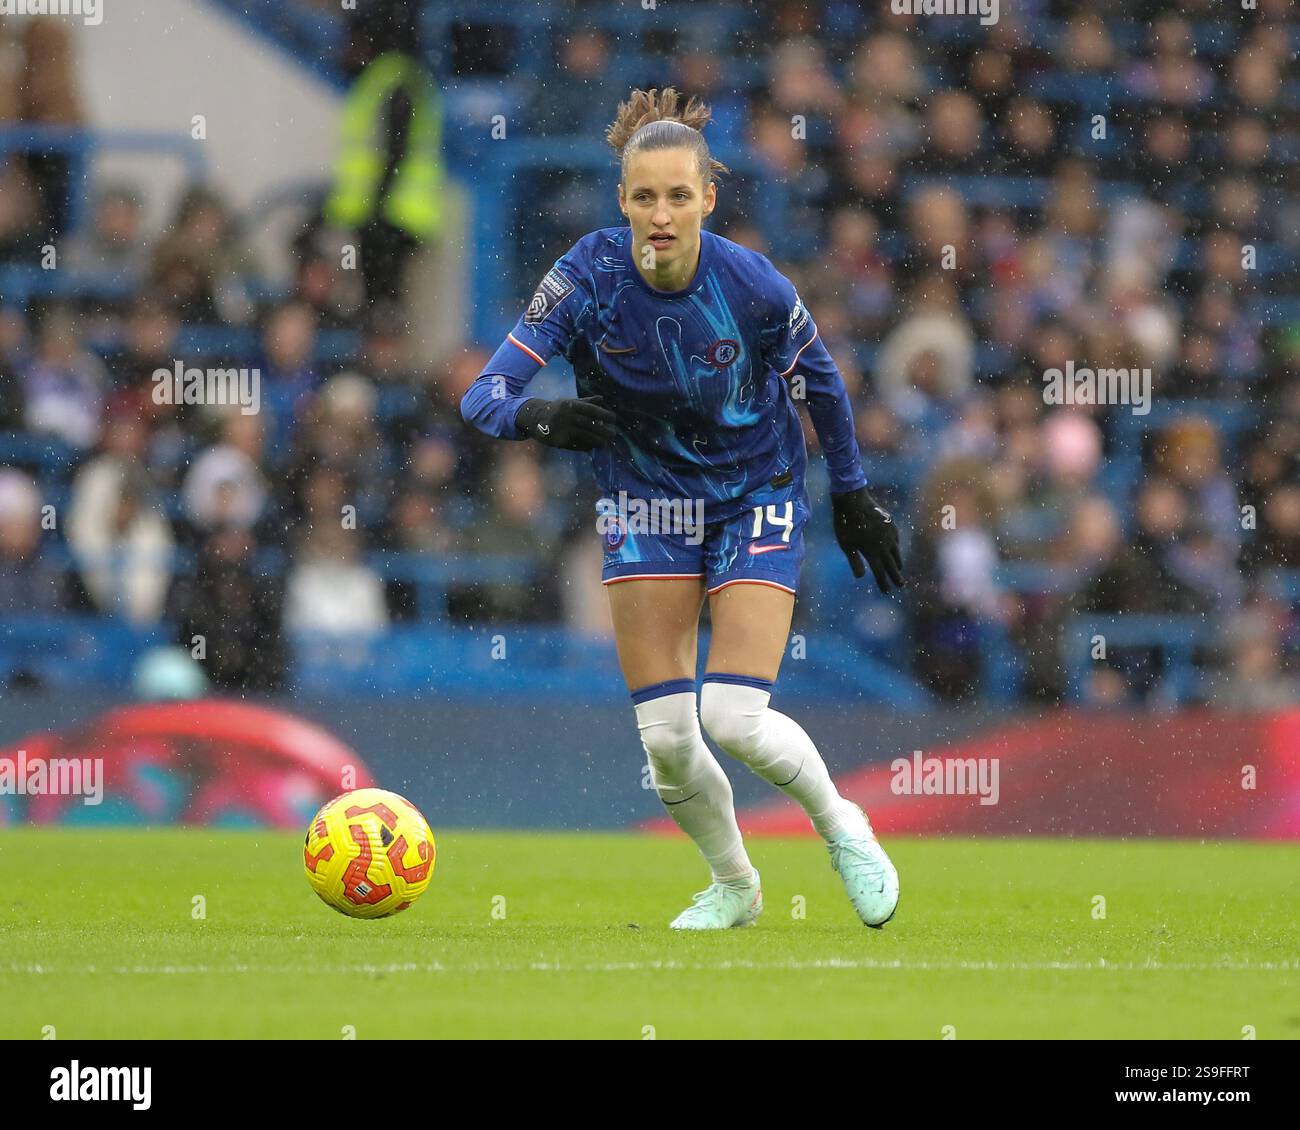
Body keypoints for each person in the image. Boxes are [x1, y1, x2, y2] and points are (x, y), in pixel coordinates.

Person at [460, 88, 905, 930]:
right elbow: (484, 395)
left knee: (731, 717)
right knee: (666, 741)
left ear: (707, 197)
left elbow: (823, 384)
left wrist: (850, 493)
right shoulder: (586, 276)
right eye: (643, 197)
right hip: (646, 505)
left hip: (754, 496)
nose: (660, 215)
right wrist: (540, 416)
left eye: (677, 195)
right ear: (621, 201)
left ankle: (841, 824)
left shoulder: (754, 286)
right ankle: (735, 885)